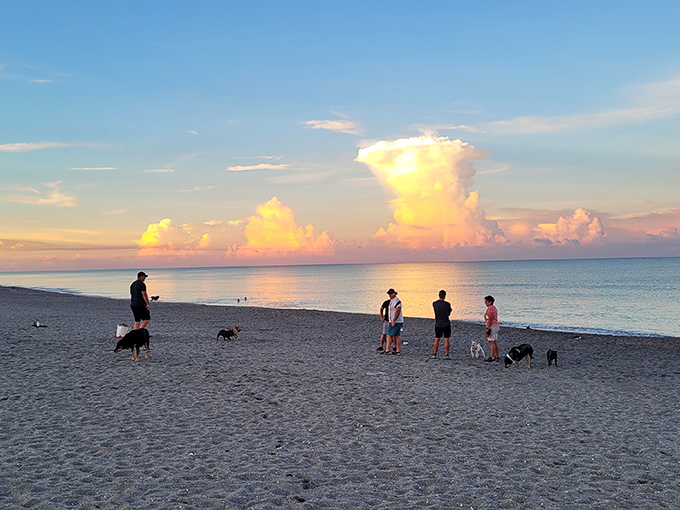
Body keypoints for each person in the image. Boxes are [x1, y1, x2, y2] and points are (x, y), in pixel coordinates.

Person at [432, 290, 452, 359]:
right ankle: (446, 354)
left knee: (437, 338)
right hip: (446, 323)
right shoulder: (447, 304)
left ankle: (434, 354)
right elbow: (448, 313)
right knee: (446, 339)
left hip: (438, 323)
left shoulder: (434, 303)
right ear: (445, 296)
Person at [384, 288, 403, 355]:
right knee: (397, 335)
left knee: (389, 334)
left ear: (394, 293)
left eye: (391, 293)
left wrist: (394, 320)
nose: (389, 295)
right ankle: (397, 351)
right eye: (389, 294)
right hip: (396, 321)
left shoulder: (397, 301)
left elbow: (397, 311)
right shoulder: (392, 301)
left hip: (396, 321)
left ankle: (387, 350)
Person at [484, 295, 500, 361]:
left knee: (491, 342)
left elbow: (490, 319)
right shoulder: (494, 308)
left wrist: (487, 328)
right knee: (495, 341)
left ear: (490, 302)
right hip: (496, 326)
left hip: (492, 326)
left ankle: (492, 356)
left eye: (486, 301)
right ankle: (496, 356)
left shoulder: (490, 308)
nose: (485, 303)